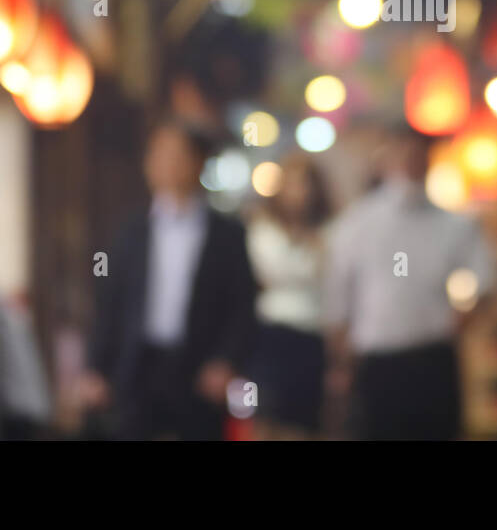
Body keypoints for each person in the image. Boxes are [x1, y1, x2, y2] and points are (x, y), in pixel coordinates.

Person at [81, 118, 257, 440]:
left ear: (199, 162)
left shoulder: (228, 235)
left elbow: (242, 304)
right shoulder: (130, 233)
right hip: (138, 365)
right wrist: (96, 367)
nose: (167, 164)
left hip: (199, 368)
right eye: (159, 154)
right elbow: (109, 303)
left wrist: (226, 361)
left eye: (178, 155)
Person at [324, 125, 497, 441]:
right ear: (385, 158)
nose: (410, 161)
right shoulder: (357, 224)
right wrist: (341, 363)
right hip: (378, 363)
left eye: (418, 154)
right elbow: (338, 299)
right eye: (402, 152)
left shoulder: (453, 224)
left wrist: (461, 320)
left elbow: (485, 280)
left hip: (432, 358)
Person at [246, 154, 332, 438]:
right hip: (270, 336)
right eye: (293, 184)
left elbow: (328, 276)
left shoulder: (328, 232)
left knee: (302, 425)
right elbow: (270, 269)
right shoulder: (263, 229)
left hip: (312, 335)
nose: (300, 192)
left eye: (305, 184)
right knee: (266, 417)